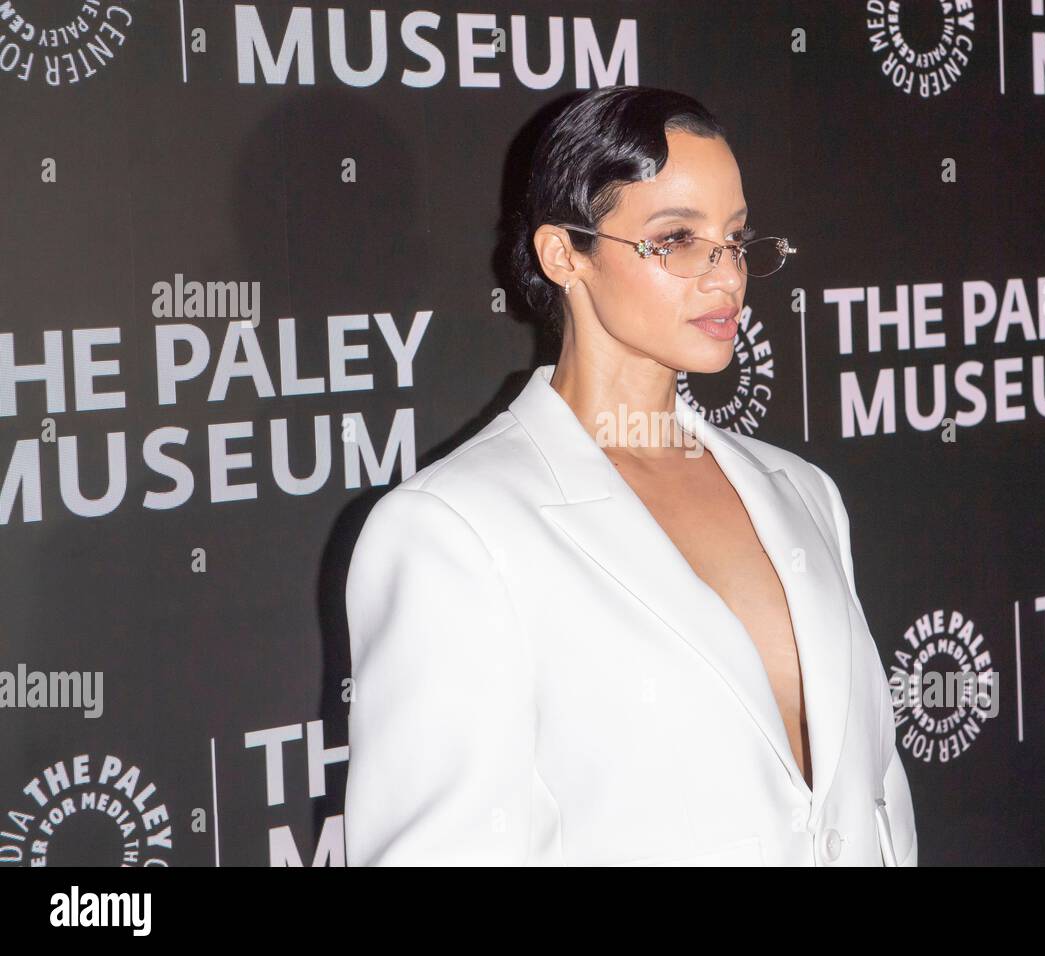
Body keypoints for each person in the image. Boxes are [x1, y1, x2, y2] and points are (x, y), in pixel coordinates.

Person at [343, 85, 917, 866]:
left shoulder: (804, 494)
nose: (726, 276)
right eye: (677, 238)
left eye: (735, 238)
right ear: (563, 254)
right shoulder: (456, 532)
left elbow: (875, 807)